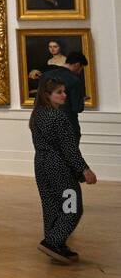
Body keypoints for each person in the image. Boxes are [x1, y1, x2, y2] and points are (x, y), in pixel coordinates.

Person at [30, 79, 96, 263]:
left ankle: (58, 246)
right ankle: (53, 241)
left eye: (64, 91)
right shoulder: (58, 117)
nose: (64, 95)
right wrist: (84, 169)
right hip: (58, 167)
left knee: (51, 205)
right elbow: (69, 148)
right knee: (72, 206)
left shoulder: (37, 114)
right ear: (47, 95)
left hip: (41, 165)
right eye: (59, 92)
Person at [40, 50, 88, 139]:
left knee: (46, 152)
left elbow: (39, 101)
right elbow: (77, 108)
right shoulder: (74, 80)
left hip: (44, 124)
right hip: (67, 126)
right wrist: (81, 100)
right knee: (69, 152)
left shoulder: (45, 76)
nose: (80, 71)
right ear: (77, 65)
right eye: (81, 68)